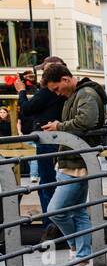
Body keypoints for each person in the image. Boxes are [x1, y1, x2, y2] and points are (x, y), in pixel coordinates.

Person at [40, 62, 107, 264]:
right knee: (78, 211)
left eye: (57, 88)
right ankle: (83, 255)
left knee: (55, 211)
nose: (57, 93)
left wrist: (58, 126)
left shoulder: (85, 94)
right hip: (73, 160)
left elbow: (86, 121)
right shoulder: (76, 95)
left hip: (76, 163)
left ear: (65, 79)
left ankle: (77, 246)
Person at [19, 61, 67, 229]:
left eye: (47, 71)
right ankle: (58, 223)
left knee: (47, 184)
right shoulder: (58, 91)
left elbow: (27, 109)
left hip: (48, 140)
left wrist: (21, 92)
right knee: (59, 182)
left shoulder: (48, 92)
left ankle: (51, 224)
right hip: (60, 139)